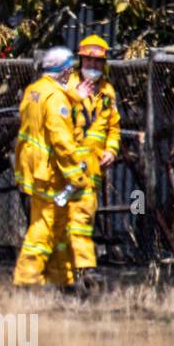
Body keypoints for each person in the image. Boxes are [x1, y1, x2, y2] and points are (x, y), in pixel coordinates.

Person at [13, 47, 92, 288]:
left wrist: (74, 98)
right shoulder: (57, 99)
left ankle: (63, 281)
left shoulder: (34, 90)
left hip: (33, 168)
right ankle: (26, 280)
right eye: (71, 69)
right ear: (65, 70)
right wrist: (77, 176)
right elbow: (61, 141)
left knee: (58, 227)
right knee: (44, 228)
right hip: (49, 173)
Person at [66, 35, 122, 288]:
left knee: (84, 218)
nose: (94, 66)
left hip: (93, 168)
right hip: (67, 165)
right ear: (81, 59)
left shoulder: (107, 92)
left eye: (99, 62)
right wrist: (75, 96)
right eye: (90, 60)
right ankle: (76, 268)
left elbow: (113, 127)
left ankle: (79, 270)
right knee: (71, 217)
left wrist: (111, 149)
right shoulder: (67, 87)